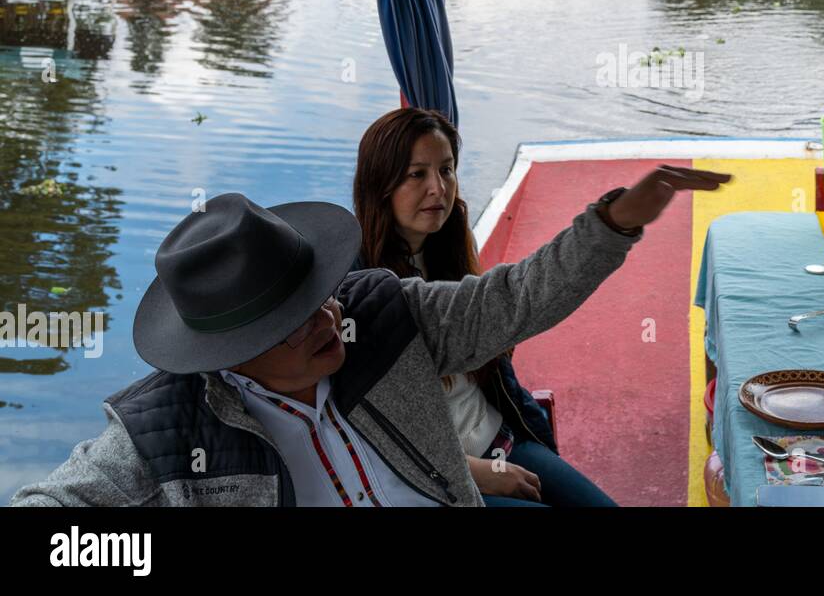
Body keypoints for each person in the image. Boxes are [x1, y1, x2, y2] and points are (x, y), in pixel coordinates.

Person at [11, 166, 729, 506]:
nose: (327, 319)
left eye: (318, 296)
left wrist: (613, 222)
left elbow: (514, 299)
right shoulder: (163, 430)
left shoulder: (381, 315)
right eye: (294, 323)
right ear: (226, 356)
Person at [352, 107, 612, 506]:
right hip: (431, 475)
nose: (438, 188)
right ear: (379, 185)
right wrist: (479, 472)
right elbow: (363, 425)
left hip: (499, 436)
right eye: (416, 174)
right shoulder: (358, 284)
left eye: (447, 170)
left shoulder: (453, 244)